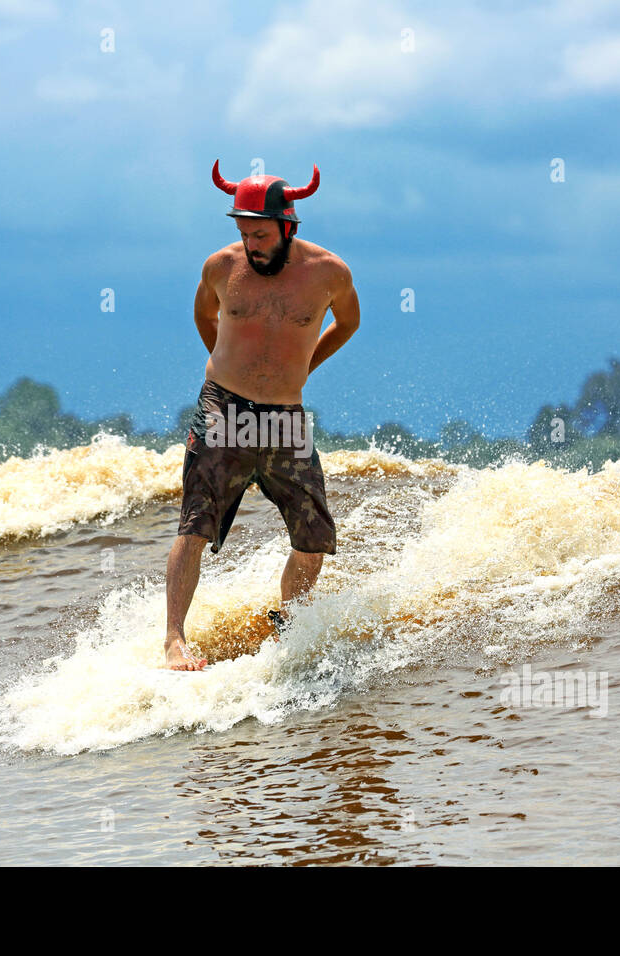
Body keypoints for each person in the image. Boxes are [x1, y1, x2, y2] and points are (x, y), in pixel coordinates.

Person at [164, 161, 361, 670]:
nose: (252, 244)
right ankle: (174, 640)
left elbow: (349, 323)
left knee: (314, 534)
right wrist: (230, 372)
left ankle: (289, 628)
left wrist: (304, 367)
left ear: (288, 225)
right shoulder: (220, 266)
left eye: (261, 233)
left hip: (286, 417)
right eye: (244, 232)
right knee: (194, 525)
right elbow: (204, 316)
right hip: (223, 409)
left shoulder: (329, 273)